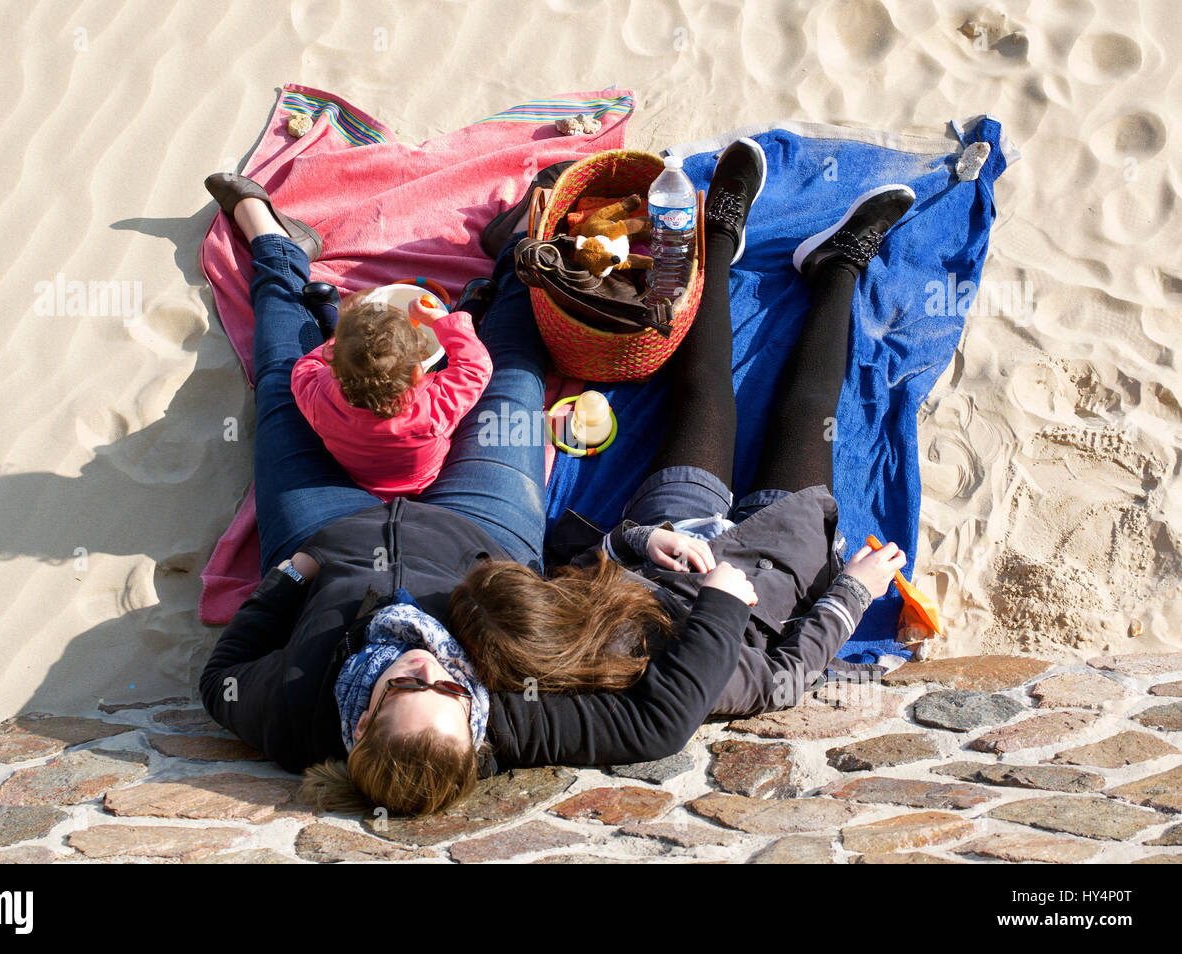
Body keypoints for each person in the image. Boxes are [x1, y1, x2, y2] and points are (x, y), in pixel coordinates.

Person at [199, 143, 912, 816]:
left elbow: (218, 677)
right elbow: (658, 724)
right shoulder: (505, 719)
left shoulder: (292, 714)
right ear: (473, 727)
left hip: (325, 527)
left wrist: (292, 576)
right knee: (513, 383)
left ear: (356, 726)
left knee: (281, 393)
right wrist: (733, 601)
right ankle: (521, 258)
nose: (428, 664)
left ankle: (274, 244)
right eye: (450, 688)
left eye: (403, 686)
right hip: (482, 531)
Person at [449, 140, 916, 717]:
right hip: (772, 576)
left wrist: (640, 540)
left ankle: (717, 239)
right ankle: (840, 266)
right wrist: (853, 592)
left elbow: (580, 559)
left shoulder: (554, 615)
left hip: (678, 529)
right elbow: (784, 680)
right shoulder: (671, 686)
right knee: (812, 410)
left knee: (702, 392)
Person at [288, 288, 493, 499]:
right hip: (424, 483)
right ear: (416, 374)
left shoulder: (316, 396)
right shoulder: (433, 408)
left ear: (335, 368)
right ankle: (468, 317)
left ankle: (330, 317)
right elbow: (474, 367)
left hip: (359, 478)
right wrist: (440, 321)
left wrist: (344, 340)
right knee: (453, 355)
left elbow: (307, 365)